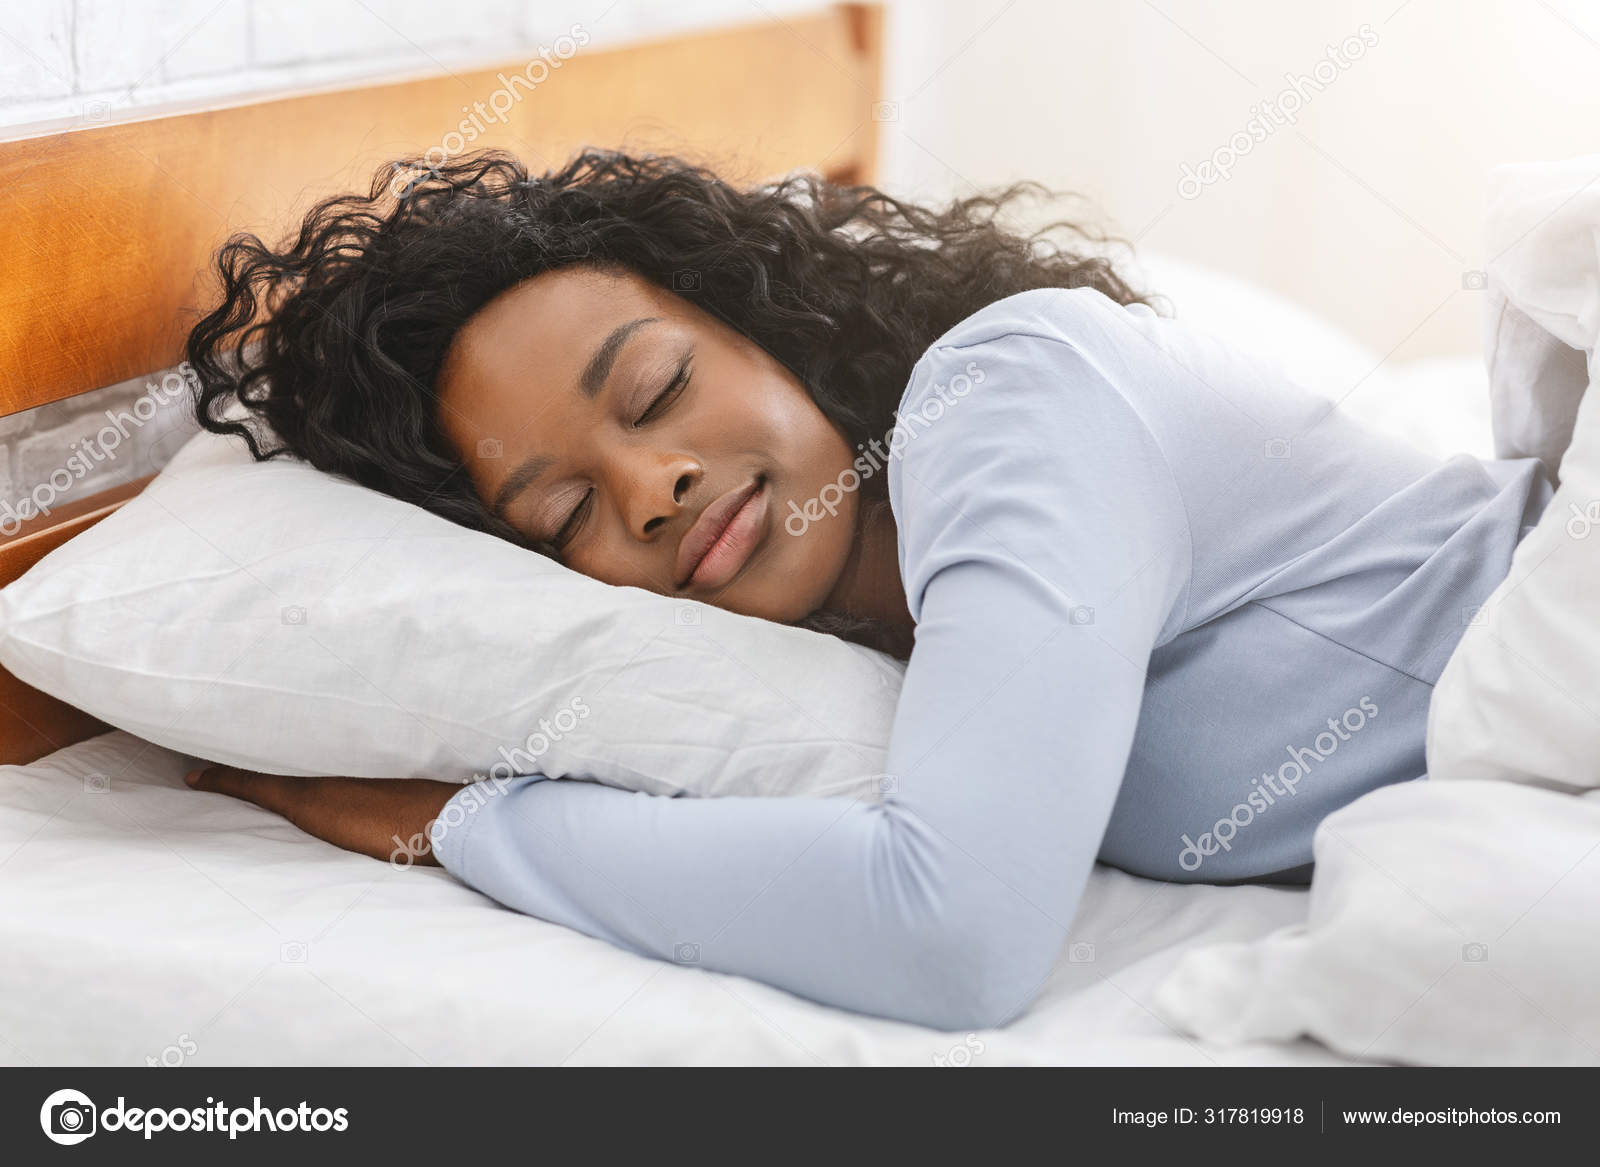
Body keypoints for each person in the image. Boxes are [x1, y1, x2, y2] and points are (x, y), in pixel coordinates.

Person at [182, 150, 1551, 1029]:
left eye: (659, 389)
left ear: (775, 330)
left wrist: (463, 824)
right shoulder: (875, 641)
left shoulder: (1010, 397)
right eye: (566, 512)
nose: (654, 485)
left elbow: (948, 932)